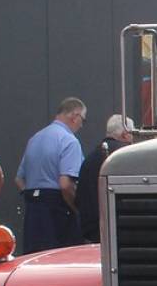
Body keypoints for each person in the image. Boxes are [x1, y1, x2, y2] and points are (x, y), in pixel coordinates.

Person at [14, 97, 86, 252]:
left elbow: (19, 179)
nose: (82, 125)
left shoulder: (34, 139)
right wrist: (77, 209)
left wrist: (33, 199)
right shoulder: (69, 141)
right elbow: (65, 184)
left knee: (34, 259)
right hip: (58, 211)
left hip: (33, 212)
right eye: (83, 120)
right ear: (75, 116)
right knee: (63, 259)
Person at [79, 114, 135, 243]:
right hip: (119, 228)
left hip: (91, 229)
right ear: (125, 134)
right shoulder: (126, 157)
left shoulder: (89, 158)